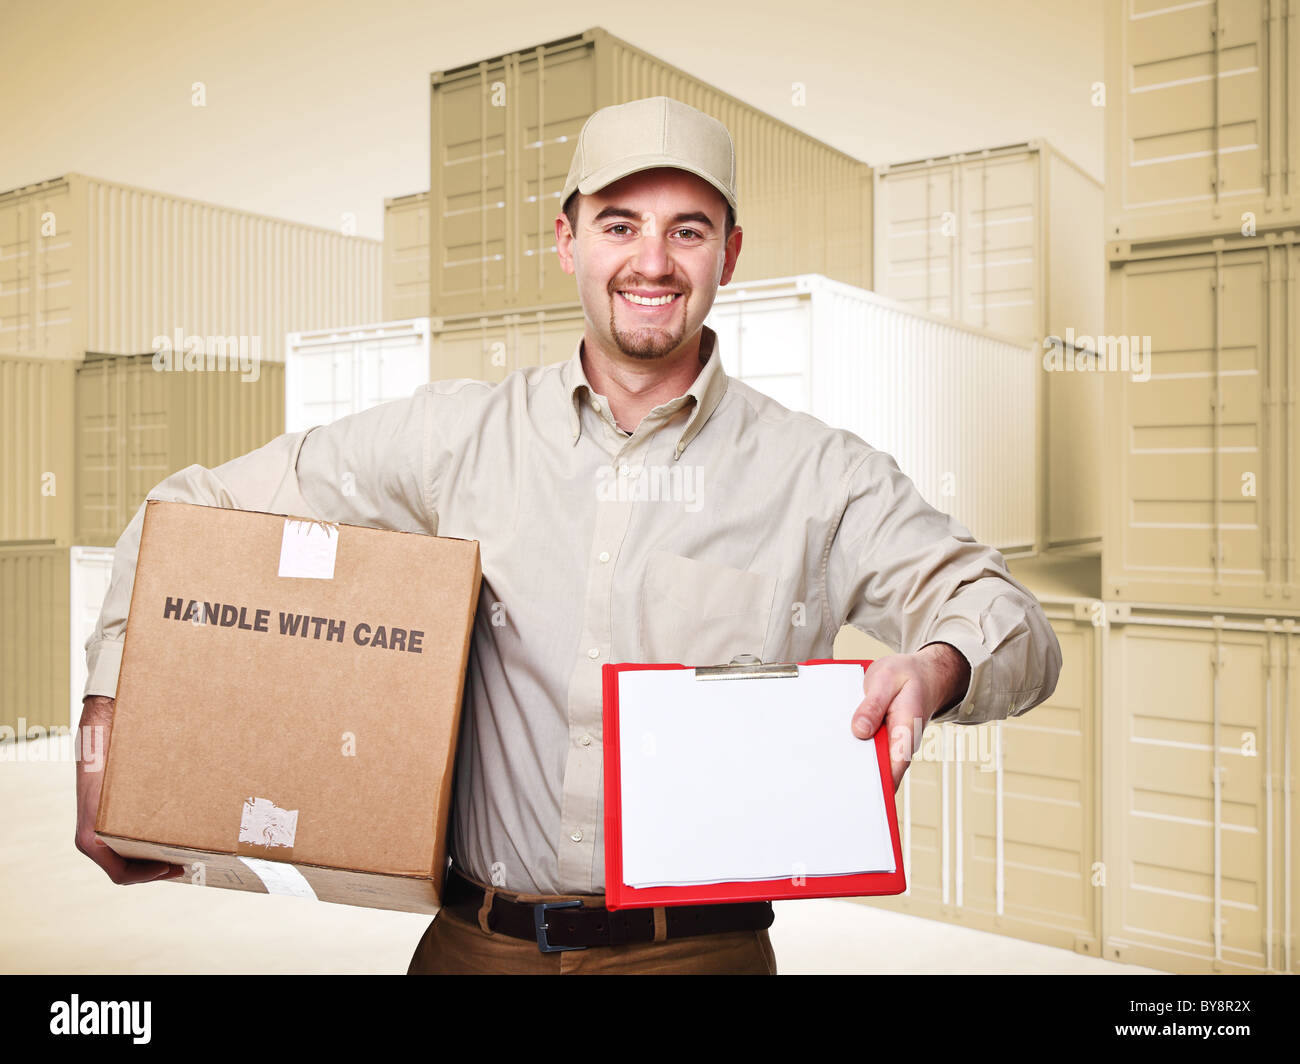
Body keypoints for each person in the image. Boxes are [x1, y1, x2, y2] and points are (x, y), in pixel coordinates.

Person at [75, 95, 1062, 975]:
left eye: (688, 230)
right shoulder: (451, 438)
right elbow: (197, 508)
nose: (651, 261)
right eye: (619, 224)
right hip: (477, 945)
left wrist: (934, 666)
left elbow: (1010, 621)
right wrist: (111, 720)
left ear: (730, 251)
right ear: (568, 239)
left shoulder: (818, 473)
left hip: (701, 952)